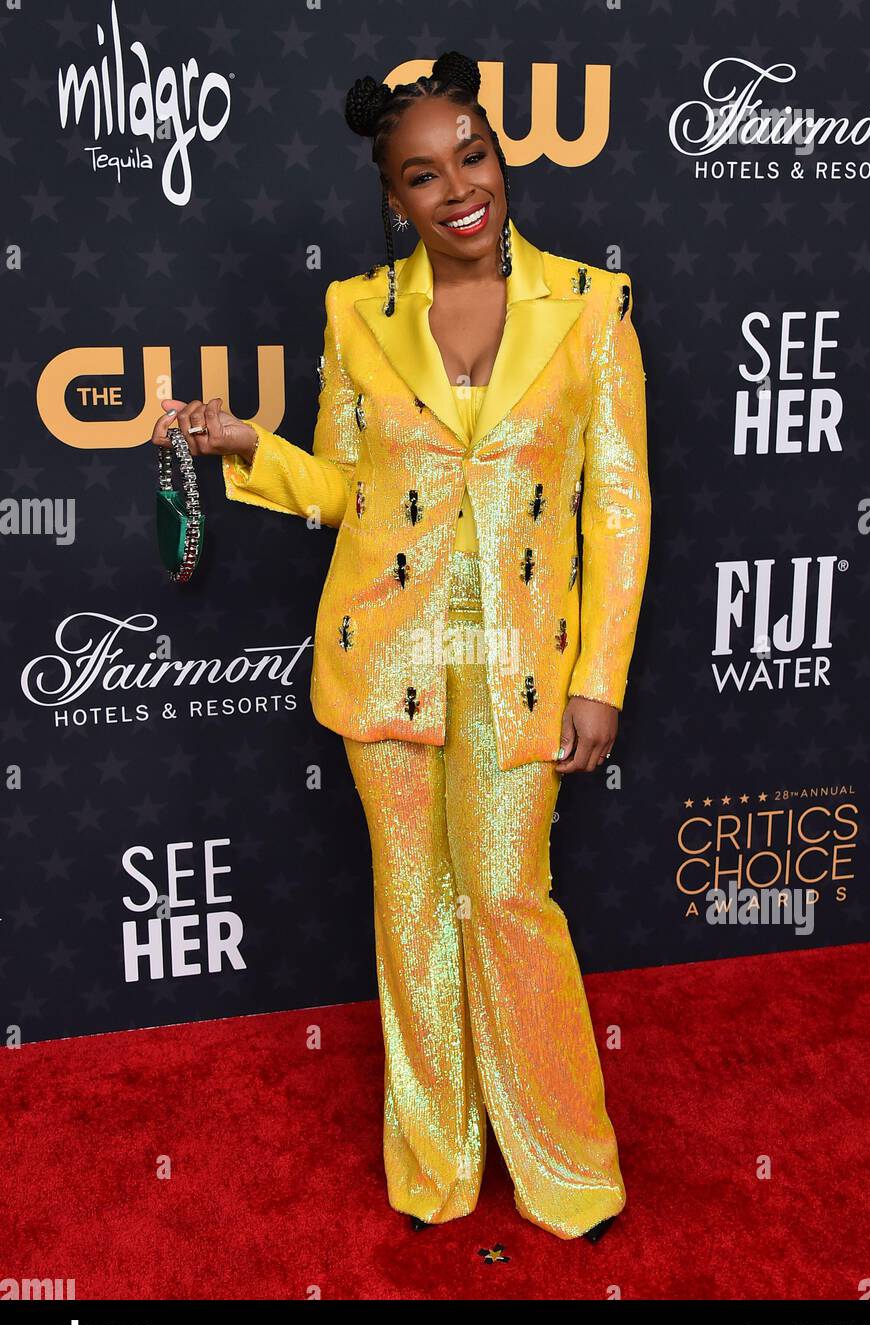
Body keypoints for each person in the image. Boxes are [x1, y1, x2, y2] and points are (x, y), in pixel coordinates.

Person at [151, 51, 650, 1243]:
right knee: (411, 912)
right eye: (423, 176)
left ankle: (566, 1167)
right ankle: (434, 1162)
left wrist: (599, 679)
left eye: (471, 157)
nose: (458, 189)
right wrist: (240, 445)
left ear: (496, 154)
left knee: (505, 898)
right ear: (394, 201)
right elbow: (341, 486)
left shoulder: (589, 304)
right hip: (384, 653)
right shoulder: (355, 313)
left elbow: (617, 511)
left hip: (520, 665)